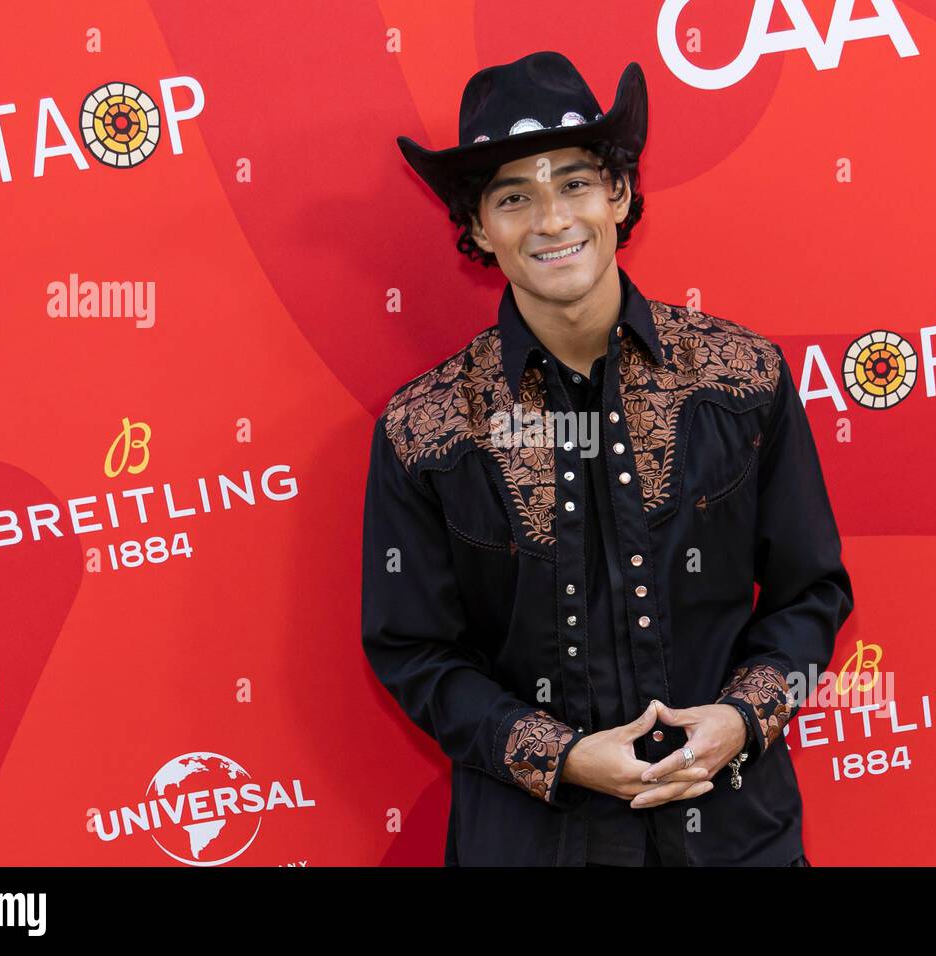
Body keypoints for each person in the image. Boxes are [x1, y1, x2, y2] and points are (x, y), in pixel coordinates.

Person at [362, 50, 853, 866]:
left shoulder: (742, 377)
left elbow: (811, 594)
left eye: (576, 184)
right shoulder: (426, 430)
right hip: (534, 846)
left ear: (619, 196)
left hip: (734, 837)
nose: (552, 219)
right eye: (515, 196)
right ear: (481, 227)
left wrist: (740, 720)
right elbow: (414, 653)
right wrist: (560, 757)